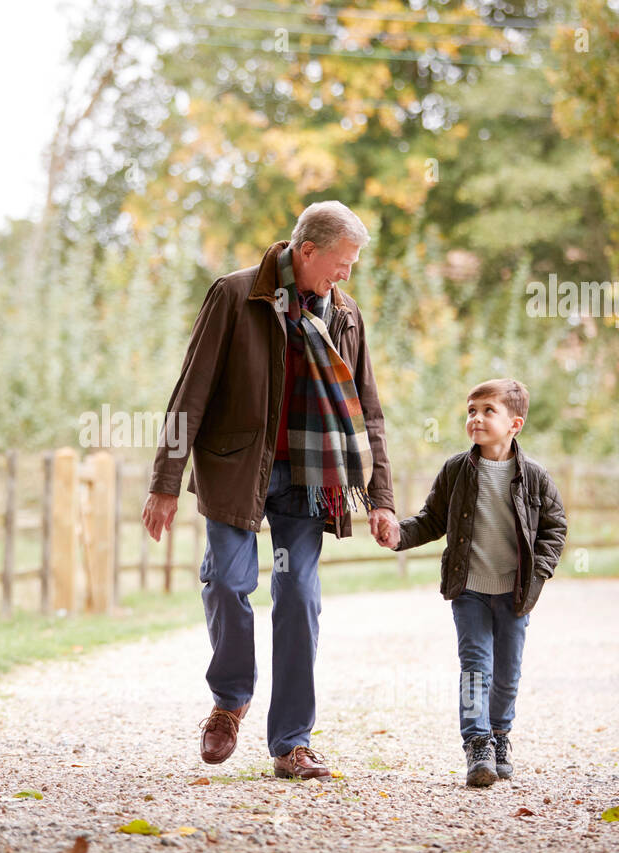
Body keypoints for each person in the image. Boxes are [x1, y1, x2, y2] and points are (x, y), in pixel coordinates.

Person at [141, 201, 398, 780]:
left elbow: (368, 414)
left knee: (299, 600)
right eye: (341, 262)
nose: (346, 276)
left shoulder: (346, 316)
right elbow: (191, 392)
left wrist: (381, 498)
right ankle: (230, 702)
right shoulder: (237, 296)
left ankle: (291, 743)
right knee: (229, 583)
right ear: (306, 251)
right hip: (237, 469)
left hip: (311, 479)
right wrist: (165, 481)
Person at [389, 378, 568, 786]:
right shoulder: (456, 471)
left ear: (515, 424)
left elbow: (555, 527)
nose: (477, 418)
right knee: (475, 669)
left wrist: (539, 573)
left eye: (489, 411)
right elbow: (432, 519)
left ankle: (500, 734)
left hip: (515, 592)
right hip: (468, 589)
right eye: (472, 410)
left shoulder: (535, 477)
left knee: (507, 672)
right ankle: (477, 744)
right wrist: (399, 535)